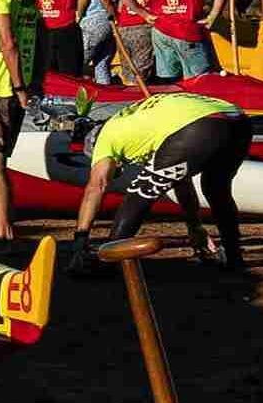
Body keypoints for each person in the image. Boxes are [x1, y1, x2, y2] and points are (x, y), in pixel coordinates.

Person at [76, 86, 253, 269]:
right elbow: (179, 180)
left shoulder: (105, 139)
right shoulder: (136, 124)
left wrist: (80, 241)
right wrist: (195, 226)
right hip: (238, 120)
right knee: (216, 190)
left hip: (201, 125)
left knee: (140, 193)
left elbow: (96, 187)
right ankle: (234, 257)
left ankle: (109, 259)